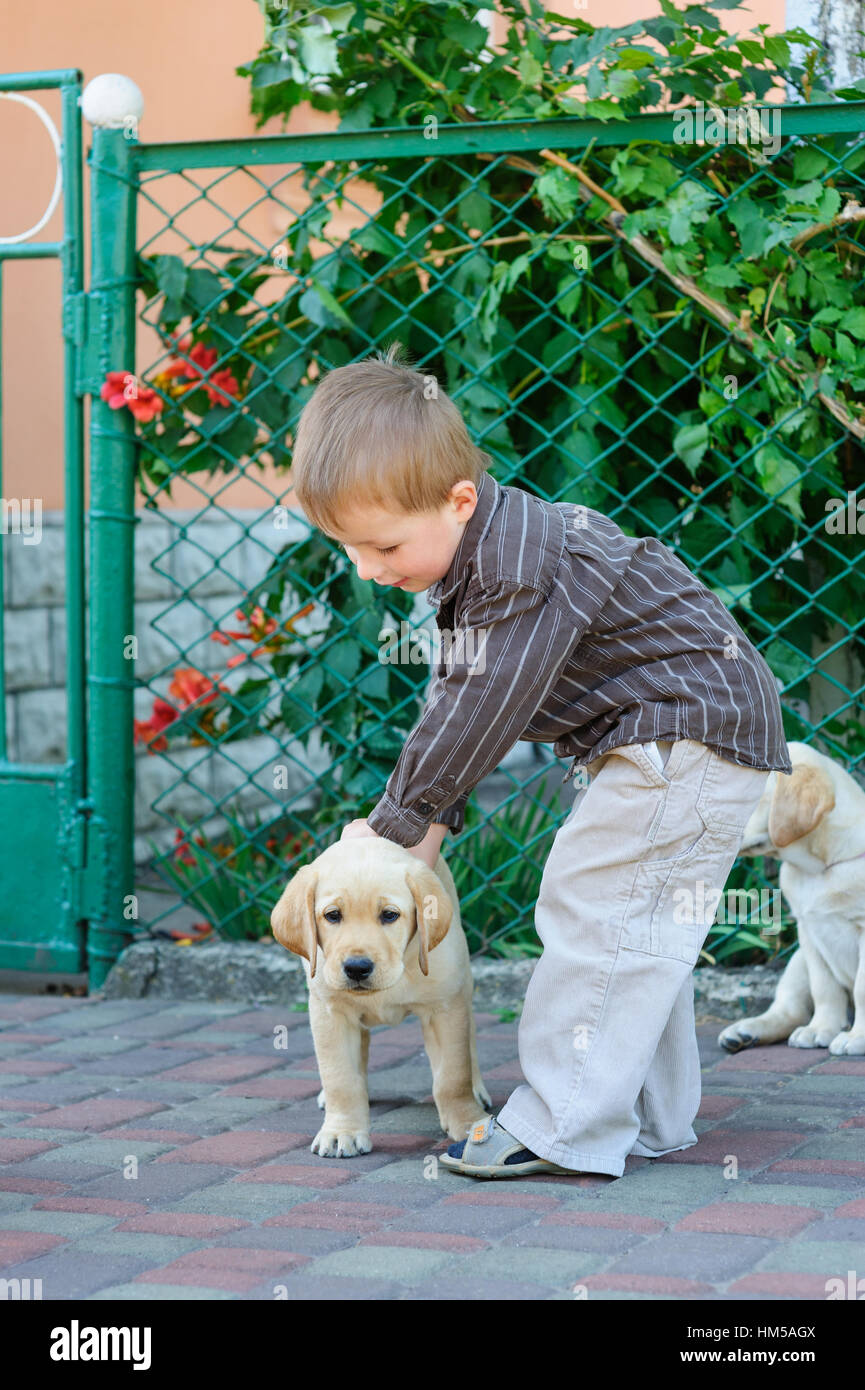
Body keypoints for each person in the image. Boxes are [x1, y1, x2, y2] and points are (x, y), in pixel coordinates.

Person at [288, 341, 791, 1180]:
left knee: (591, 907)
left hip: (684, 735)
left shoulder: (518, 568)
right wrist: (422, 819)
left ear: (455, 501)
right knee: (636, 923)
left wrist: (400, 824)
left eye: (381, 548)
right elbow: (453, 696)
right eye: (349, 551)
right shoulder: (484, 557)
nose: (368, 570)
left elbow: (481, 706)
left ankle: (559, 1124)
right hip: (677, 737)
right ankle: (643, 1118)